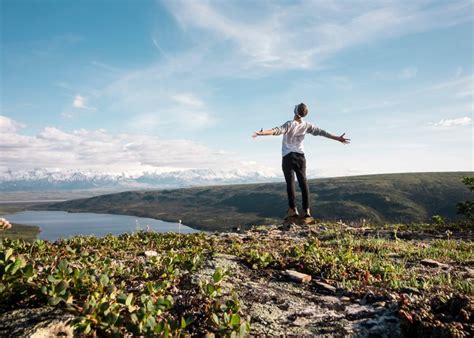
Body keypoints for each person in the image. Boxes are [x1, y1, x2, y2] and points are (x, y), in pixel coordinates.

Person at [252, 103, 350, 220]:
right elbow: (322, 132)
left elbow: (277, 131)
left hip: (288, 156)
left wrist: (262, 133)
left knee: (290, 183)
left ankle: (292, 210)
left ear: (295, 111)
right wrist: (337, 138)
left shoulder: (290, 124)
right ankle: (306, 210)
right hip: (300, 156)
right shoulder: (307, 125)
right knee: (303, 183)